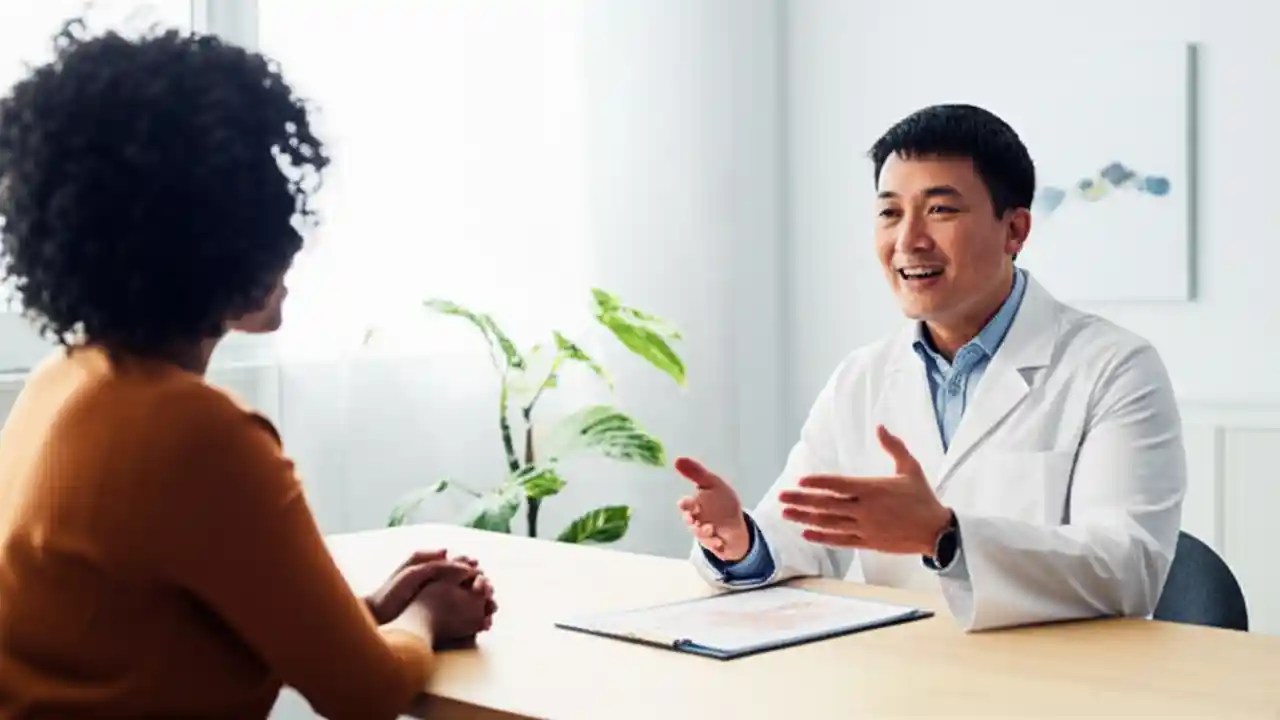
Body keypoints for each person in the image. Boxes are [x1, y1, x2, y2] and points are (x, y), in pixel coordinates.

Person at [0, 22, 495, 719]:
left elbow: (148, 626)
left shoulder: (63, 382)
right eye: (263, 200)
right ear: (215, 231)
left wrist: (368, 612)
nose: (291, 235)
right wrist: (428, 620)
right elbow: (365, 695)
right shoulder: (195, 433)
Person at [677, 103, 1186, 632]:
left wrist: (944, 538)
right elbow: (801, 534)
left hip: (1051, 683)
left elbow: (1128, 570)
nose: (908, 240)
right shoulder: (862, 378)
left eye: (940, 211)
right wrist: (741, 542)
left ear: (1015, 230)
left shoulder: (1115, 368)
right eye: (890, 212)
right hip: (899, 676)